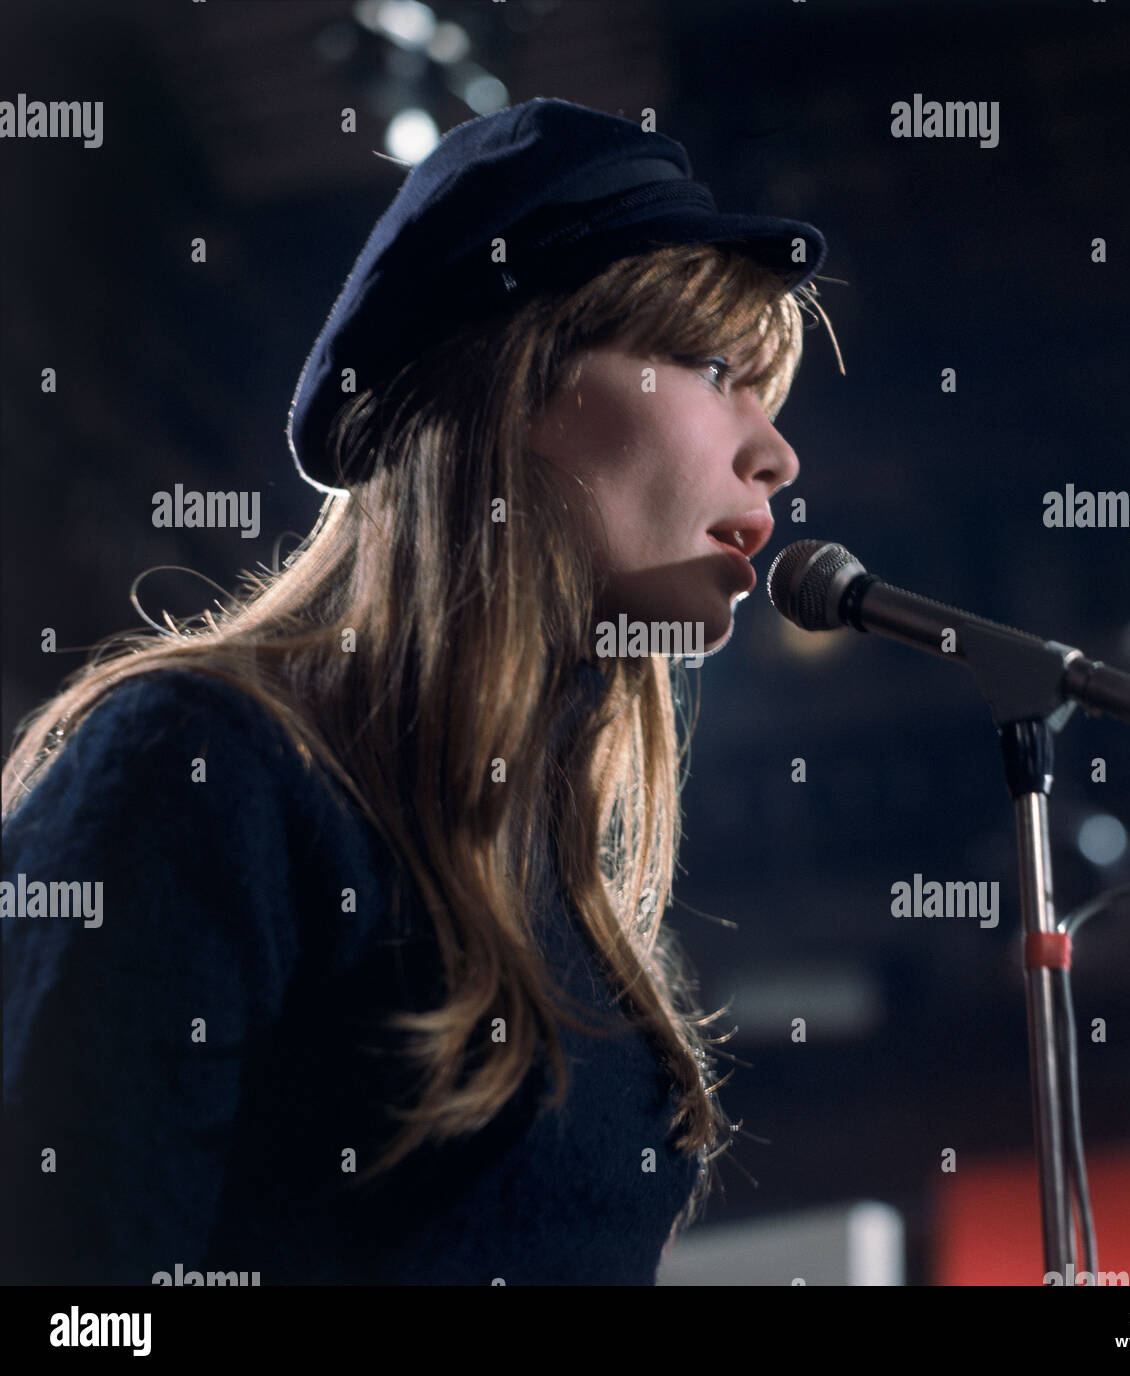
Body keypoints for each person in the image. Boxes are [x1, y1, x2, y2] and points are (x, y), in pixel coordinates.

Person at [1, 97, 839, 1285]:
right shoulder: (205, 763)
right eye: (709, 366)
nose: (776, 452)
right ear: (516, 385)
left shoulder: (559, 876)